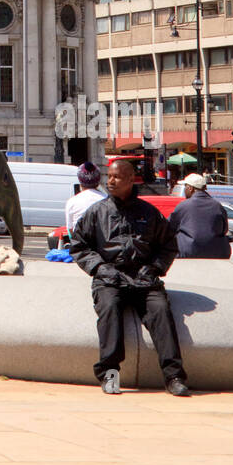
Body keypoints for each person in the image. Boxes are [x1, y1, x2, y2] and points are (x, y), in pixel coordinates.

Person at [70, 158, 189, 396]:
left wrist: (154, 268)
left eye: (117, 177)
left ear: (130, 180)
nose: (110, 181)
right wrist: (100, 268)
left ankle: (174, 376)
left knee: (161, 312)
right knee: (109, 309)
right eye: (109, 176)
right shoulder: (97, 212)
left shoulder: (149, 212)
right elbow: (79, 246)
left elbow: (168, 245)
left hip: (144, 279)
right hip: (109, 278)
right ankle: (109, 375)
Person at [168, 172, 230, 259]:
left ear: (190, 188)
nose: (185, 189)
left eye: (185, 186)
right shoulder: (217, 206)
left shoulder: (184, 206)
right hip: (218, 252)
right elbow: (224, 229)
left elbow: (169, 228)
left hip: (188, 252)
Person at [64, 161, 108, 238]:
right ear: (98, 181)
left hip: (80, 246)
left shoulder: (72, 202)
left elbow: (70, 229)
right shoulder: (107, 200)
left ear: (80, 181)